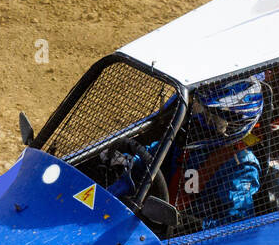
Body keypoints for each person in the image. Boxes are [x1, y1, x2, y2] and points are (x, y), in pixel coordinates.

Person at [109, 74, 268, 228]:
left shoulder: (242, 168)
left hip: (185, 240)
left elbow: (237, 225)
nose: (199, 120)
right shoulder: (188, 138)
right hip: (152, 215)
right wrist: (126, 160)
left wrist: (192, 225)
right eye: (199, 110)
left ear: (235, 124)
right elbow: (152, 156)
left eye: (211, 119)